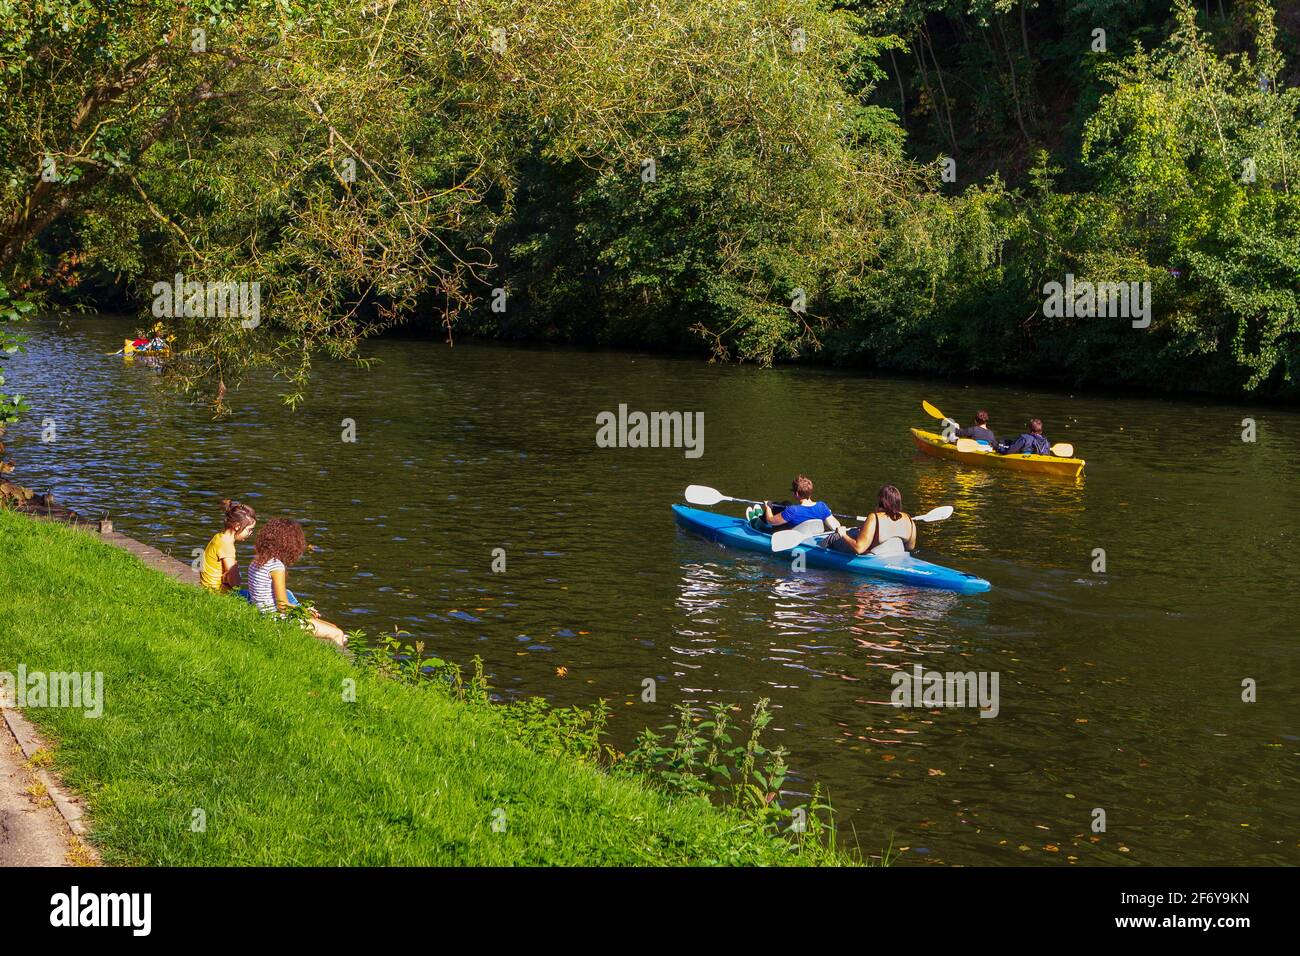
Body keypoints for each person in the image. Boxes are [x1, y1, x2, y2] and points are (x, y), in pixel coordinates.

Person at [245, 518, 347, 647]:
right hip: (276, 620)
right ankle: (337, 663)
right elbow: (282, 605)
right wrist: (304, 610)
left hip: (262, 615)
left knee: (331, 626)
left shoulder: (257, 561)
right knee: (337, 633)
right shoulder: (276, 567)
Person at [829, 484, 916, 557]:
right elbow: (910, 547)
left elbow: (859, 549)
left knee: (833, 538)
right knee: (856, 532)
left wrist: (843, 534)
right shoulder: (909, 519)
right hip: (895, 555)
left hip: (875, 557)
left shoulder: (874, 517)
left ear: (881, 500)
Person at [200, 499, 257, 593]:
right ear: (237, 526)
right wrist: (236, 575)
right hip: (218, 594)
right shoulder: (226, 545)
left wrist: (228, 576)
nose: (251, 533)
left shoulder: (219, 537)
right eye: (249, 530)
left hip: (208, 590)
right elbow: (235, 583)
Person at [761, 475, 842, 532]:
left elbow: (770, 521)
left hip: (791, 536)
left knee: (775, 506)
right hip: (810, 535)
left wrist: (768, 506)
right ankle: (761, 518)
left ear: (796, 494)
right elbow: (837, 527)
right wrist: (828, 513)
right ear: (810, 492)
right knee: (786, 503)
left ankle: (758, 523)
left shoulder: (793, 510)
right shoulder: (822, 506)